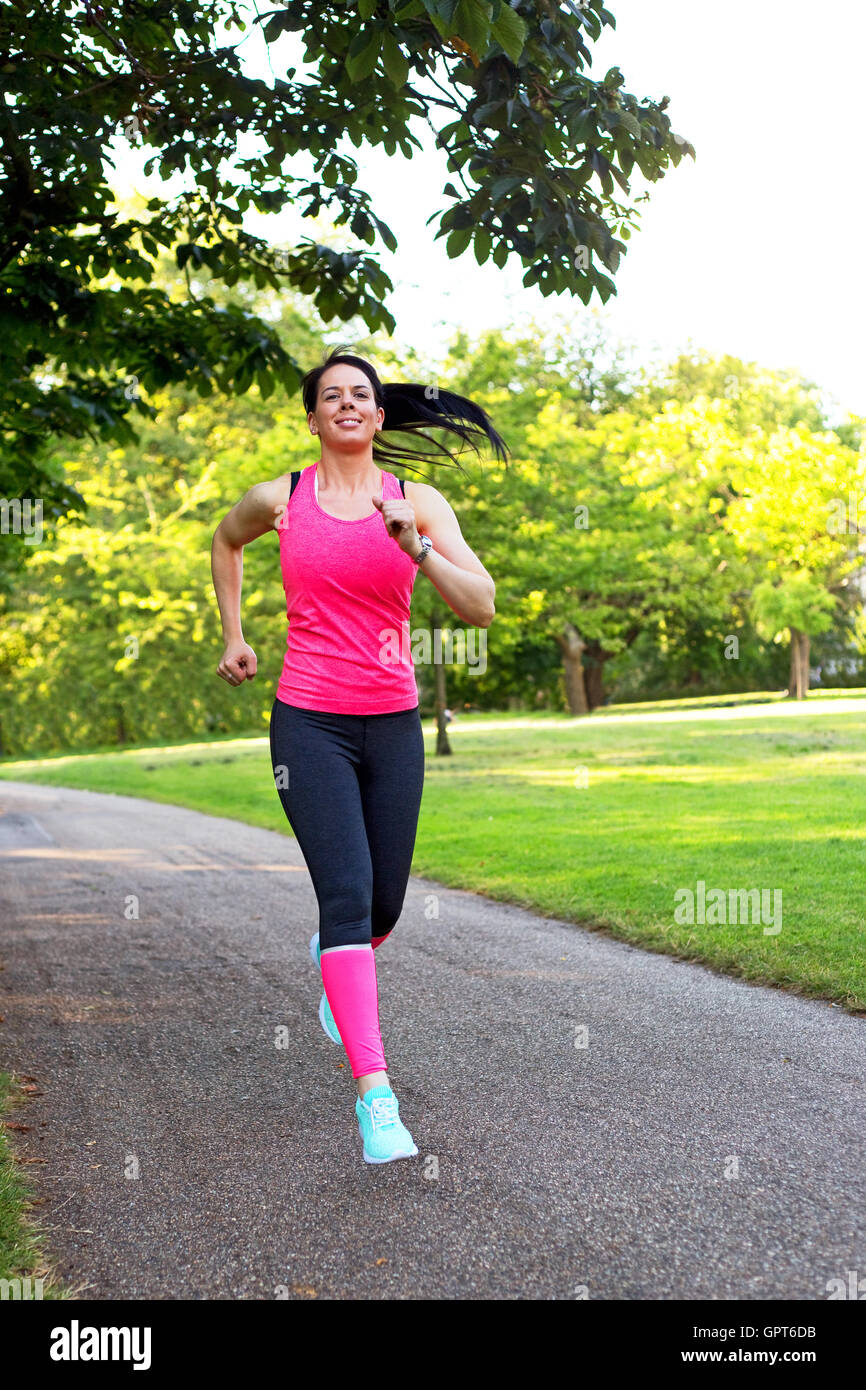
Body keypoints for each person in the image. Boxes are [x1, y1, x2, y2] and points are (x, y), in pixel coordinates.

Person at [210, 347, 507, 1163]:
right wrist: (235, 635)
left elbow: (481, 607)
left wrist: (418, 548)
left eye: (361, 395)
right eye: (330, 395)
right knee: (346, 899)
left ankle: (335, 958)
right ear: (313, 418)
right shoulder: (282, 498)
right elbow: (223, 542)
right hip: (307, 722)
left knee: (383, 908)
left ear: (378, 417)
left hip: (392, 721)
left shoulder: (418, 503)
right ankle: (378, 1098)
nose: (347, 403)